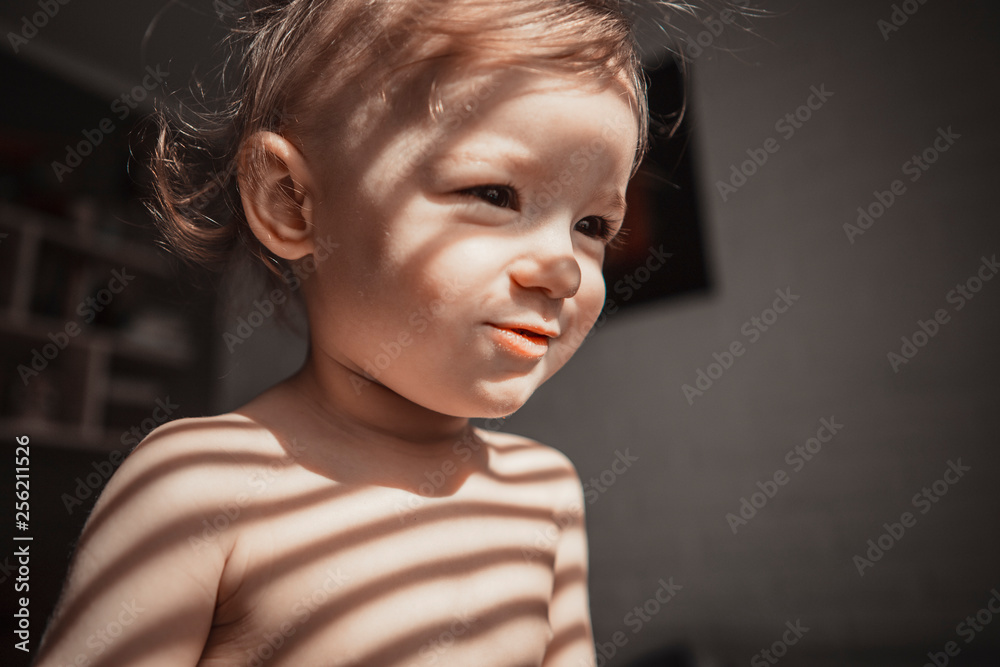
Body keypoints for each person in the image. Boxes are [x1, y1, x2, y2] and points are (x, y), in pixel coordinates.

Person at [35, 1, 655, 664]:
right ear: (292, 203)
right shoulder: (199, 482)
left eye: (593, 226)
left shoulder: (546, 491)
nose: (564, 269)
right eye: (495, 193)